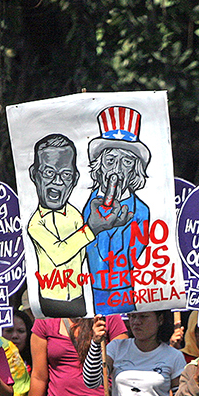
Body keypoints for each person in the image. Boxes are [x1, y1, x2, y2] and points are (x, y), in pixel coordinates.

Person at [26, 134, 132, 318]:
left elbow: (87, 248)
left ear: (74, 179)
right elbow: (59, 253)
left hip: (79, 298)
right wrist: (92, 228)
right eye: (49, 173)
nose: (57, 182)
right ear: (34, 175)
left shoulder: (76, 215)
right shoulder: (36, 223)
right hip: (51, 302)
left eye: (65, 174)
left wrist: (112, 226)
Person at [81, 106, 150, 314]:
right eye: (111, 161)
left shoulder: (142, 212)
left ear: (135, 169)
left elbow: (137, 259)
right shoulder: (87, 207)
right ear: (100, 166)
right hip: (92, 300)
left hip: (129, 301)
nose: (117, 169)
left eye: (126, 161)